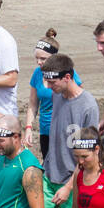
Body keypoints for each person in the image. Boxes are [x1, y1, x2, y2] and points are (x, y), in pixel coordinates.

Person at [39, 54, 99, 208]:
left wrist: (67, 186)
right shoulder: (57, 95)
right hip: (48, 174)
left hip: (71, 180)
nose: (48, 87)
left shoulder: (88, 106)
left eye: (52, 81)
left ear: (67, 77)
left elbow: (88, 158)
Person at [26, 29, 84, 157]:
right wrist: (29, 128)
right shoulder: (37, 73)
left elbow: (79, 100)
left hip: (65, 130)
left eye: (43, 59)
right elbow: (33, 104)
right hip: (45, 130)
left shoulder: (66, 74)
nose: (39, 62)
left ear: (54, 57)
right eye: (37, 58)